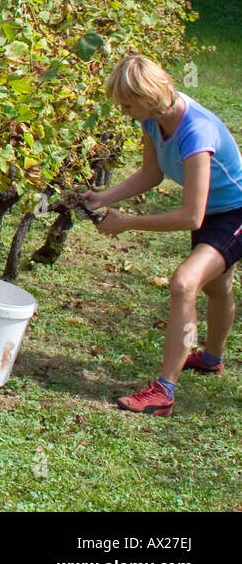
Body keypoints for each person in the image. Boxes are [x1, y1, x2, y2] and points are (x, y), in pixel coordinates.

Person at [83, 54, 242, 416]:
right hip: (211, 211)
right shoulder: (154, 121)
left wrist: (127, 222)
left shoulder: (196, 132)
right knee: (216, 286)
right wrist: (104, 196)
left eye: (127, 103)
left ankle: (164, 391)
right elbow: (151, 174)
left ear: (148, 96)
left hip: (234, 212)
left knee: (184, 282)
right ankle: (212, 359)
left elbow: (190, 215)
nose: (123, 111)